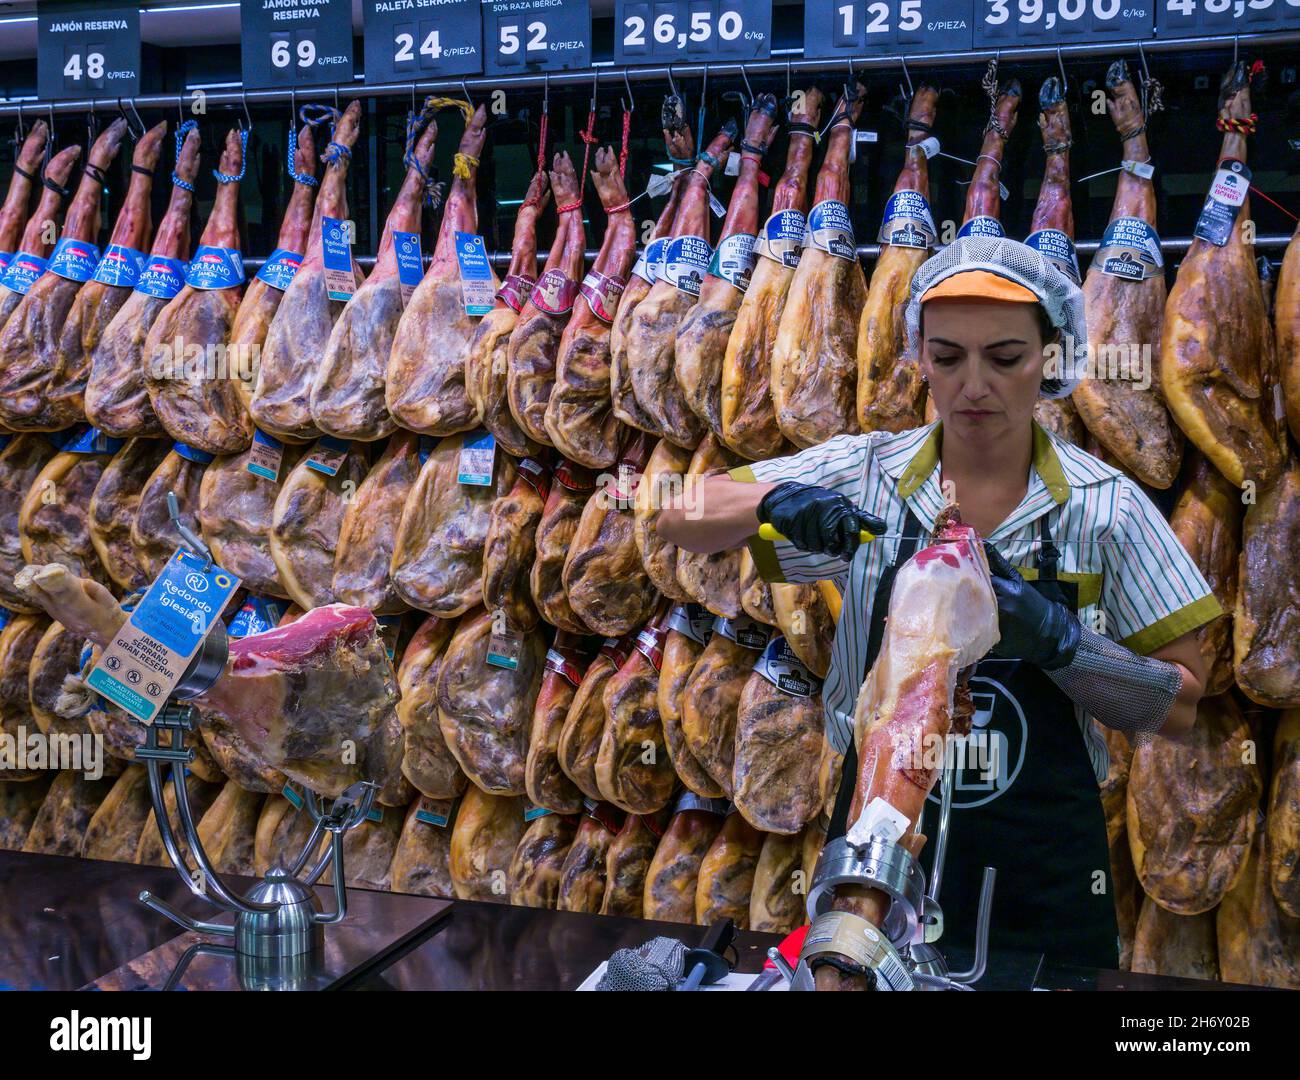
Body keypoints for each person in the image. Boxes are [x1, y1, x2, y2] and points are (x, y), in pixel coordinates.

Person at [657, 235, 1219, 967]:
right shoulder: (865, 475)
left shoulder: (1105, 507)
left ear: (1050, 359)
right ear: (919, 356)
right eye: (947, 357)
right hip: (873, 858)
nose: (974, 385)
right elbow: (677, 515)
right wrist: (774, 498)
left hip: (1044, 868)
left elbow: (1178, 707)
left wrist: (1061, 642)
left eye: (1006, 357)